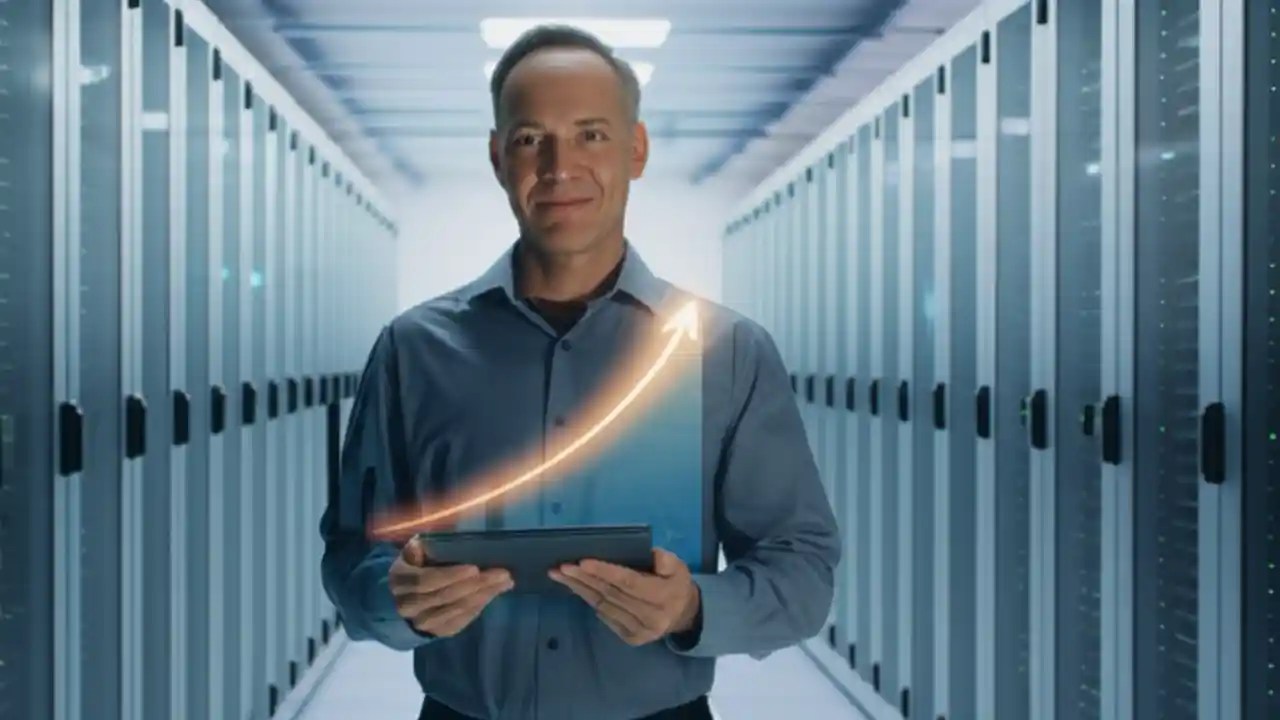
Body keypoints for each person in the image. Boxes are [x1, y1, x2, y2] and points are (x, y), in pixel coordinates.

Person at [319, 23, 841, 720]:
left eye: (591, 134)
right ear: (499, 157)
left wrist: (692, 605)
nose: (560, 167)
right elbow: (351, 558)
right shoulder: (413, 351)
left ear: (636, 150)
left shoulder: (729, 351)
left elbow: (801, 570)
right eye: (533, 138)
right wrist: (397, 600)